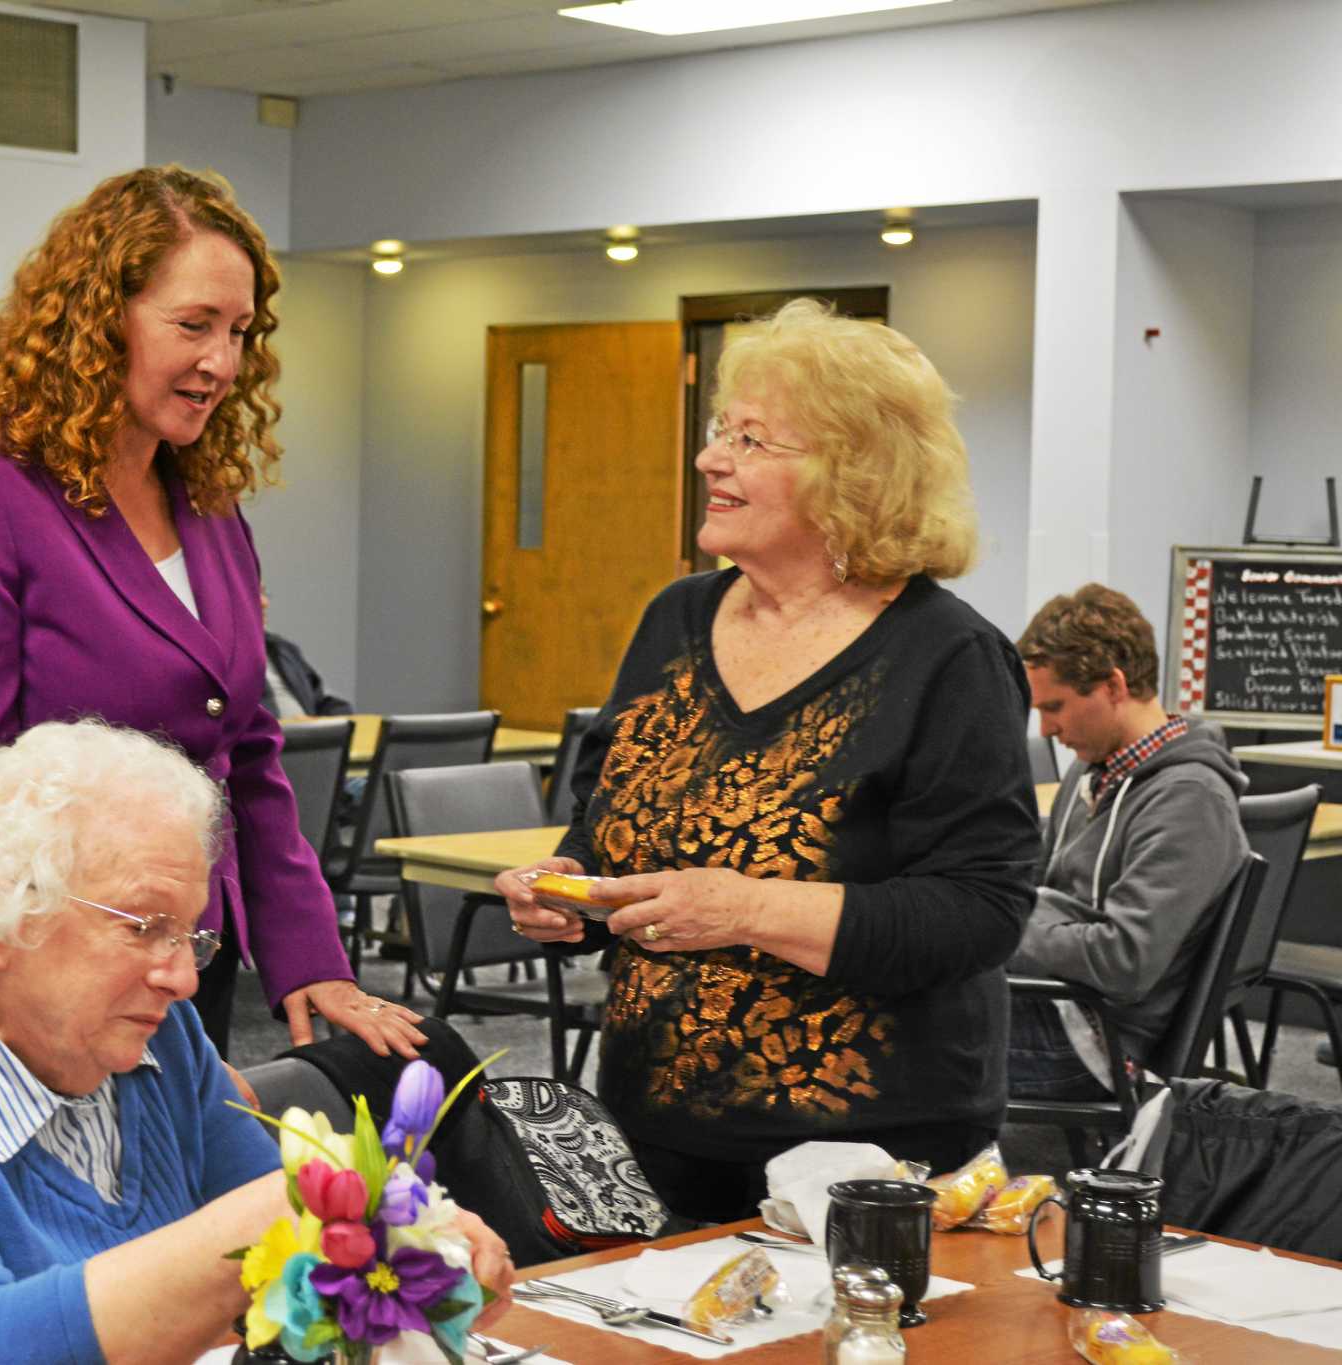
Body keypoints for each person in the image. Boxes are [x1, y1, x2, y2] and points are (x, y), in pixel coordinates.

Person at [0, 721, 511, 1365]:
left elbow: (284, 1246)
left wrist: (410, 1242)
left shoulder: (154, 1044)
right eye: (146, 927)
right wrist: (289, 1210)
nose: (182, 976)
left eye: (191, 935)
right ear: (5, 914)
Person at [493, 299, 1041, 1224]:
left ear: (856, 474)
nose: (712, 459)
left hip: (870, 1158)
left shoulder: (948, 658)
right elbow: (609, 829)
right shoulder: (675, 619)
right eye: (719, 432)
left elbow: (979, 911)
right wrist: (574, 892)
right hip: (652, 1134)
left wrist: (742, 908)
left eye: (751, 439)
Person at [0, 165, 420, 1057]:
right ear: (99, 321)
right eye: (193, 325)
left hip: (183, 964)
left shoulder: (207, 507)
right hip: (38, 984)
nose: (222, 362)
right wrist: (57, 996)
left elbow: (246, 755)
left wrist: (310, 958)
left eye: (240, 331)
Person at [1009, 583, 1248, 1099]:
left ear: (1114, 686)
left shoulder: (1189, 798)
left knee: (893, 1040)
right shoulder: (1089, 773)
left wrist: (996, 926)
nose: (1046, 729)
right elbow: (1038, 888)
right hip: (1055, 1005)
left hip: (1104, 1046)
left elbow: (1125, 961)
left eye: (1056, 707)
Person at [259, 585, 353, 719]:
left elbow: (322, 700)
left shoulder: (282, 649)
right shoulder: (223, 660)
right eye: (253, 593)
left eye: (263, 593)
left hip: (310, 737)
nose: (264, 602)